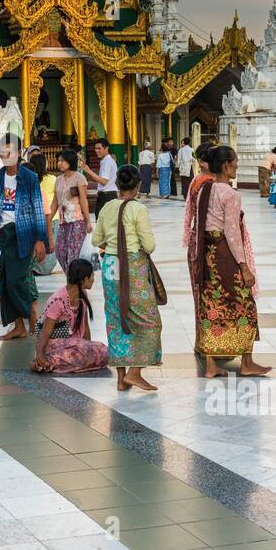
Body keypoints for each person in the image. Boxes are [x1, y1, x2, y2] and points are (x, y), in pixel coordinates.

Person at [189, 145, 270, 379]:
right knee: (245, 305)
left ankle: (212, 364)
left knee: (211, 307)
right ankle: (247, 362)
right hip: (224, 254)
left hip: (208, 254)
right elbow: (232, 231)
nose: (237, 167)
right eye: (235, 163)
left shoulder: (206, 188)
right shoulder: (231, 194)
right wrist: (244, 267)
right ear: (225, 166)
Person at [92, 165, 162, 390]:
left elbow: (96, 240)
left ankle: (122, 379)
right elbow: (149, 245)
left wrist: (111, 245)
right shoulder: (138, 209)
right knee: (149, 321)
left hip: (111, 265)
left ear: (118, 185)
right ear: (138, 185)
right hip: (132, 267)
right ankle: (135, 372)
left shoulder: (107, 207)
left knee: (116, 319)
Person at [0, 134, 49, 342]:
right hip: (2, 234)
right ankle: (18, 326)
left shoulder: (29, 177)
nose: (5, 156)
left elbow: (37, 208)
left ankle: (32, 313)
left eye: (10, 152)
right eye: (3, 152)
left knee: (16, 280)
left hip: (23, 234)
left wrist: (40, 239)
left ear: (18, 153)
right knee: (3, 283)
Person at [32, 258, 108, 374]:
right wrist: (40, 354)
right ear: (85, 279)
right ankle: (43, 362)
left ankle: (49, 365)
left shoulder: (83, 295)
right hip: (57, 347)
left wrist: (89, 347)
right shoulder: (57, 300)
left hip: (76, 345)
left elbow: (85, 326)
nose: (93, 279)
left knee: (103, 351)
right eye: (92, 276)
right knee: (80, 354)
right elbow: (45, 332)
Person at [52, 148, 91, 272]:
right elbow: (55, 202)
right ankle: (71, 277)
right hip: (63, 222)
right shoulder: (58, 180)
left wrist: (88, 221)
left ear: (70, 161)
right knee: (60, 251)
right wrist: (47, 218)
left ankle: (74, 283)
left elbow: (83, 200)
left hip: (77, 221)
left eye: (63, 161)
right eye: (58, 161)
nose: (59, 163)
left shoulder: (79, 178)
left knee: (73, 254)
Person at [182, 143, 215, 249]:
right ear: (201, 162)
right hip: (208, 238)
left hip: (198, 234)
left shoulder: (198, 178)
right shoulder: (208, 182)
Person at [82, 138, 119, 214]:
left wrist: (89, 171)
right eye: (95, 148)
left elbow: (103, 181)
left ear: (106, 148)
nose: (96, 151)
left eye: (99, 148)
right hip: (108, 194)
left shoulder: (107, 162)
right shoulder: (106, 160)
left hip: (107, 195)